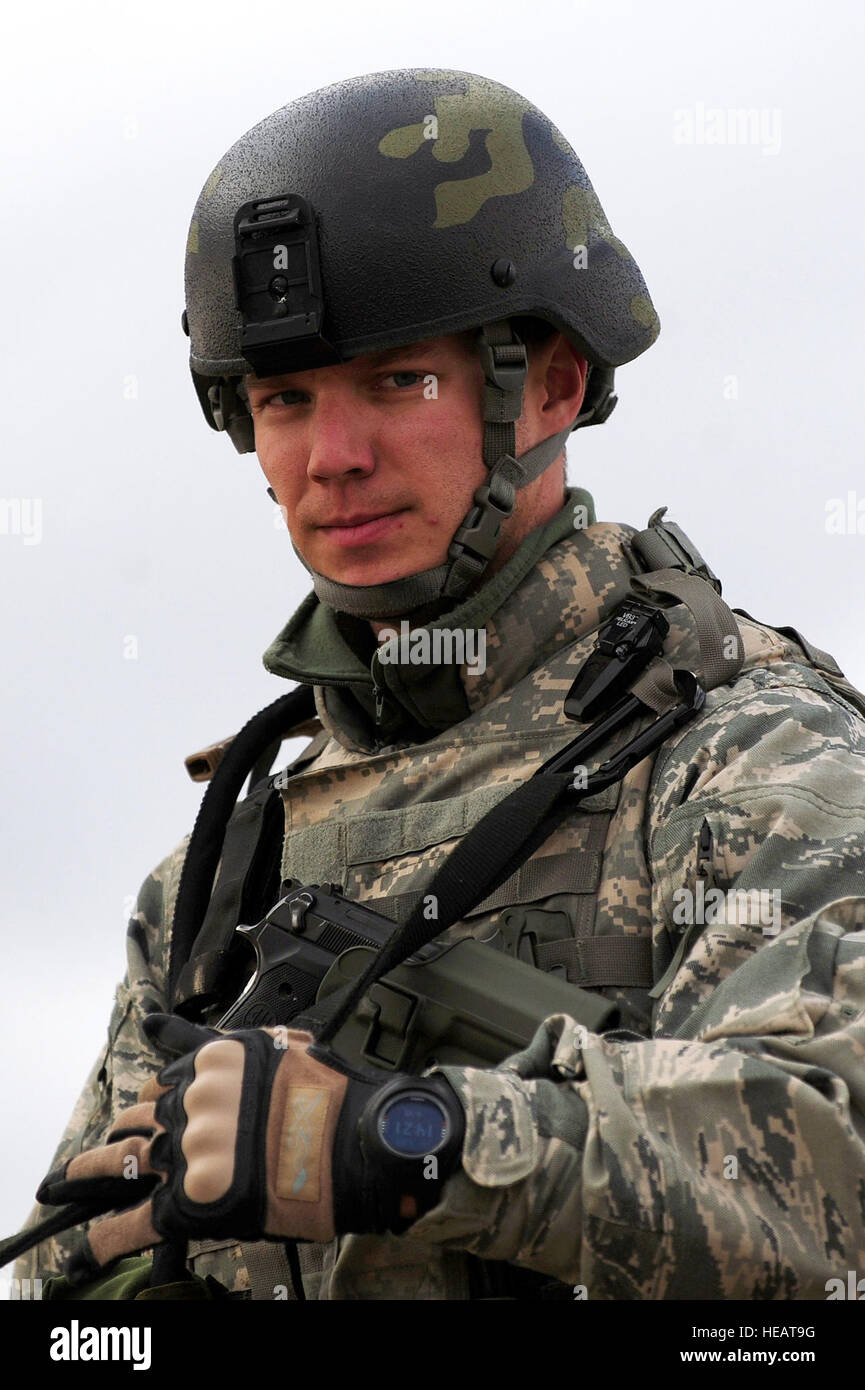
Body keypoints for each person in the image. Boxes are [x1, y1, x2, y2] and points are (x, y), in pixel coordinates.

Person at [13, 68, 865, 1302]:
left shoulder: (750, 759)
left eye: (397, 382)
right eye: (285, 400)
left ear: (552, 386)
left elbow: (829, 1176)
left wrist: (403, 1143)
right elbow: (66, 1265)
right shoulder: (223, 870)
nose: (332, 457)